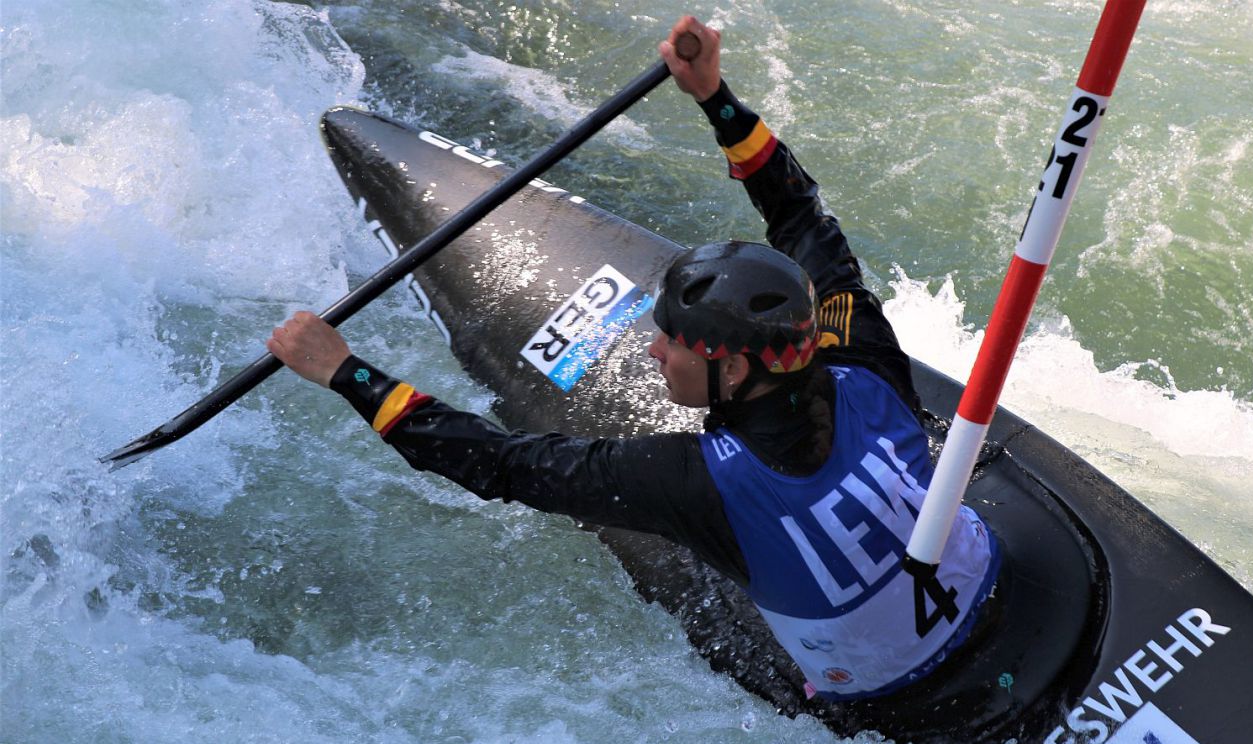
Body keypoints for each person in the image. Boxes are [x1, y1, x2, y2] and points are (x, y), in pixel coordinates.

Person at [268, 16, 999, 702]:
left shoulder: (686, 481)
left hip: (888, 703)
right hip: (995, 586)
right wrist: (717, 100)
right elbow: (803, 218)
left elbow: (500, 464)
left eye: (673, 341)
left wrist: (346, 373)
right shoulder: (862, 353)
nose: (652, 349)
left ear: (733, 370)